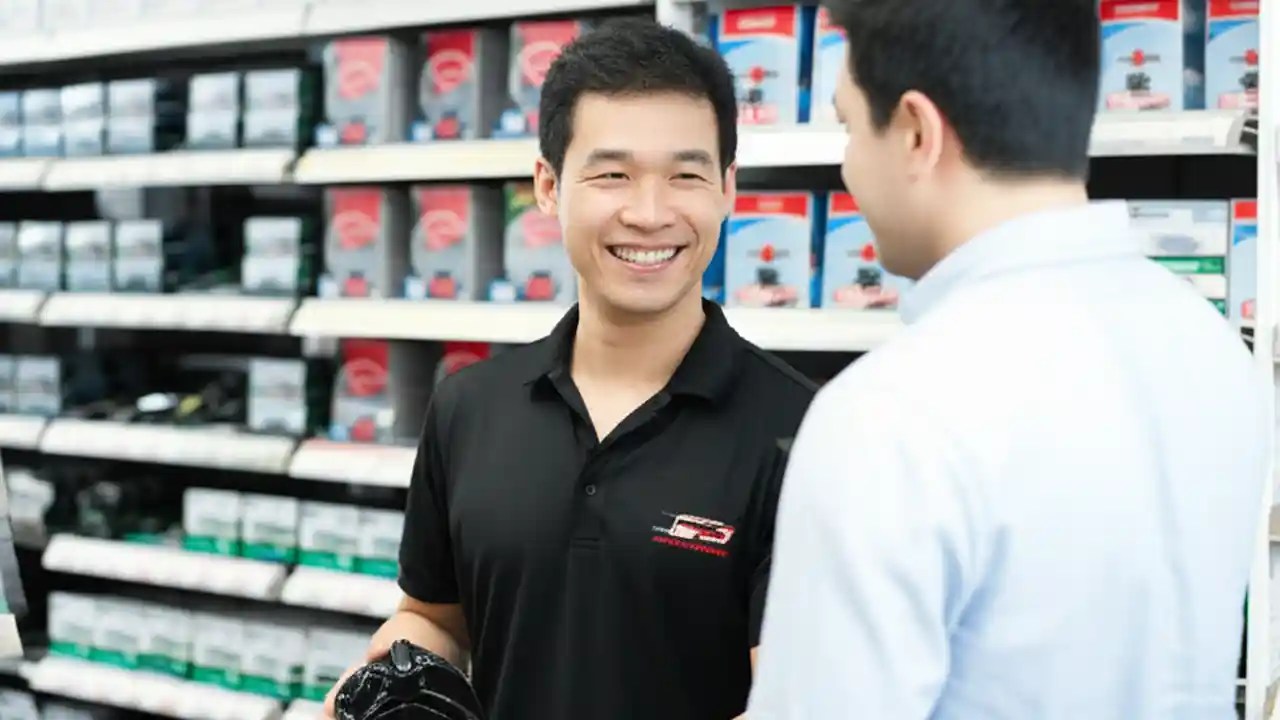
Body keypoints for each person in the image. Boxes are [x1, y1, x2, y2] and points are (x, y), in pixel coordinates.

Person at [749, 1, 1270, 718]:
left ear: (915, 133)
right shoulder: (1206, 345)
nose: (846, 168)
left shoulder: (889, 416)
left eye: (847, 126)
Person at [324, 18, 816, 720]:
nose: (649, 214)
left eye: (685, 175)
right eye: (612, 174)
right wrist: (393, 679)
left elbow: (795, 702)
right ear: (549, 187)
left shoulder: (801, 433)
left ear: (728, 188)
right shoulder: (469, 408)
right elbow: (436, 618)